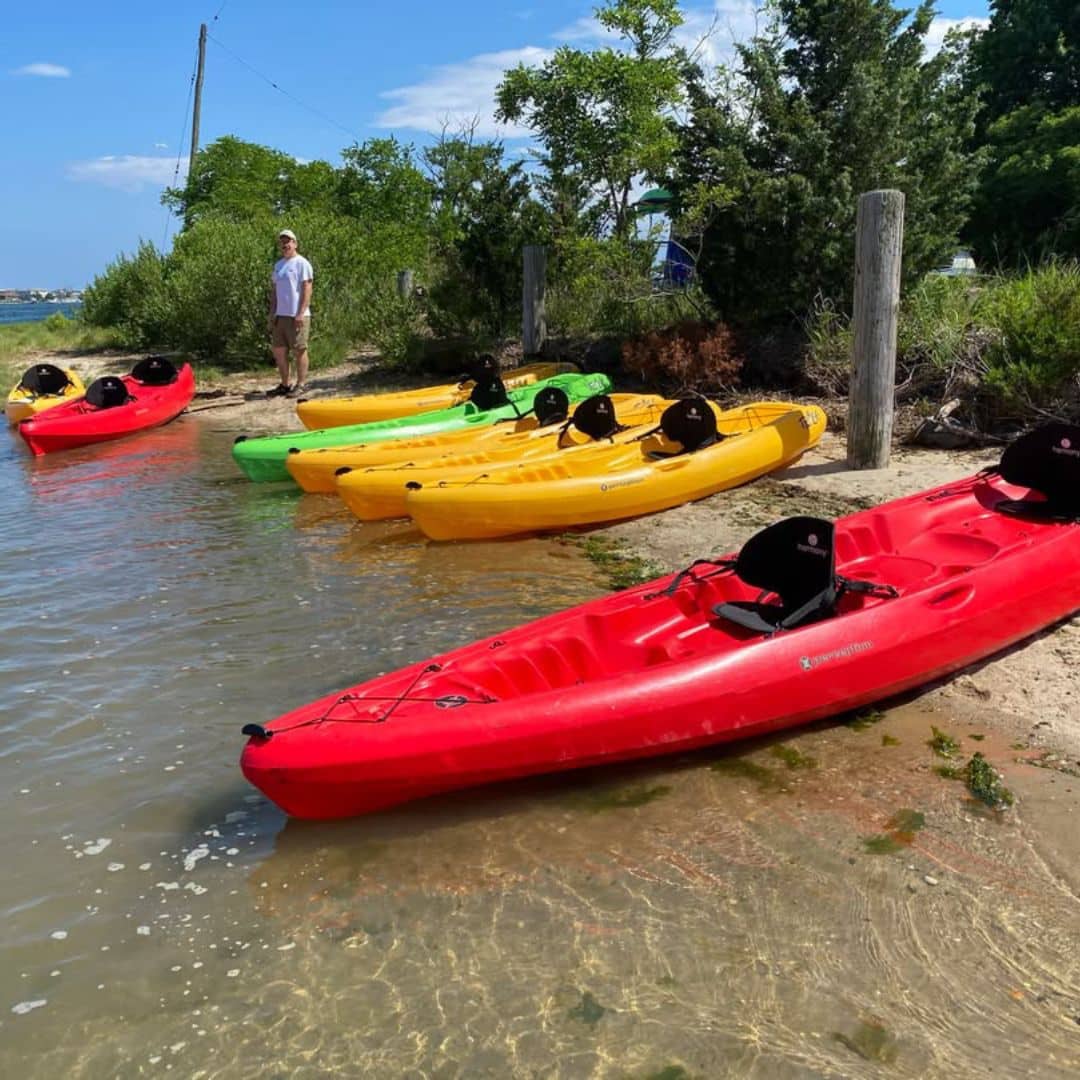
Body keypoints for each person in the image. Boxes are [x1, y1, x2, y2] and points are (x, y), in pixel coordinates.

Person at [267, 228, 313, 397]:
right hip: (281, 315)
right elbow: (275, 291)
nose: (285, 245)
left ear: (295, 243)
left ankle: (301, 384)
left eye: (288, 241)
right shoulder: (278, 265)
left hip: (297, 315)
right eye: (282, 242)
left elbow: (307, 288)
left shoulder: (302, 263)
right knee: (279, 350)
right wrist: (272, 313)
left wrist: (301, 312)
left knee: (299, 349)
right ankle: (285, 384)